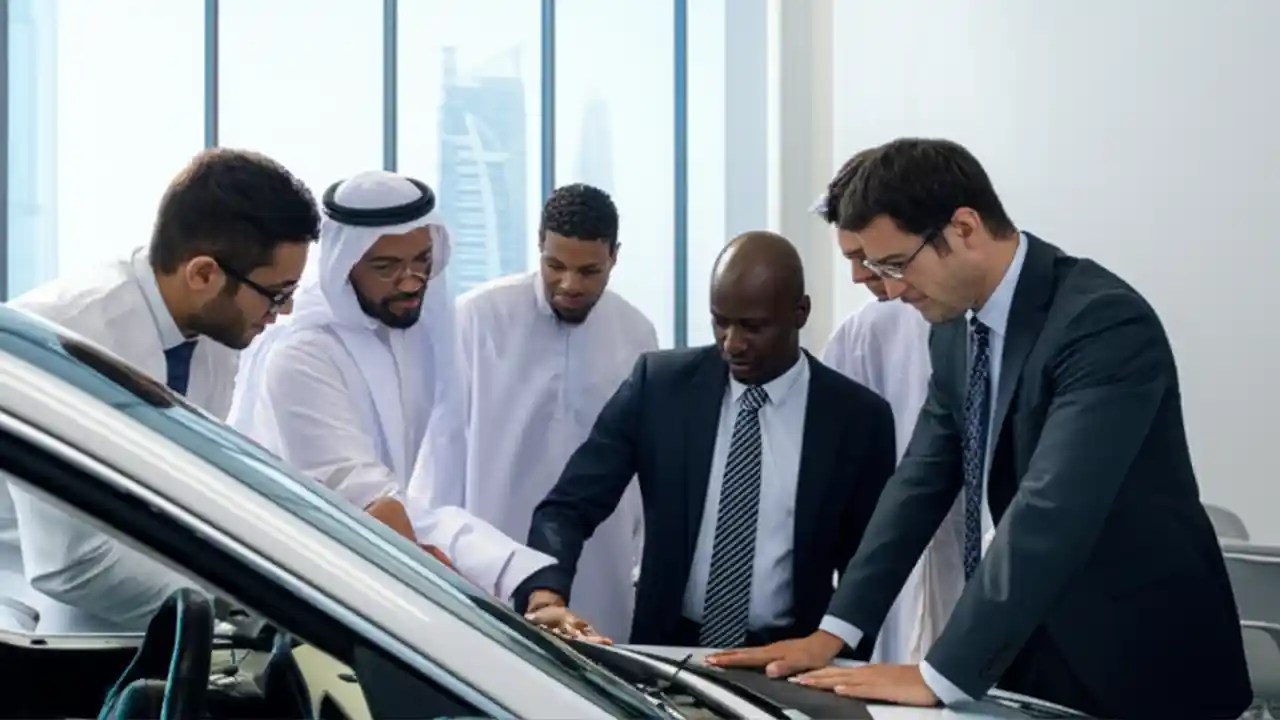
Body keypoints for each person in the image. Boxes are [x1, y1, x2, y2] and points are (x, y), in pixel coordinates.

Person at [708, 138, 1252, 719]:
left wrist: (939, 672)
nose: (888, 289)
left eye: (894, 264)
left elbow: (1051, 510)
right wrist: (835, 632)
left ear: (963, 227)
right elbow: (919, 480)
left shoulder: (1101, 323)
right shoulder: (954, 327)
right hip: (1024, 652)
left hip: (1138, 657)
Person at [515, 230, 896, 652]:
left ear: (799, 312)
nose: (732, 343)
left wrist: (840, 661)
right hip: (668, 652)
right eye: (721, 321)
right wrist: (545, 593)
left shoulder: (858, 420)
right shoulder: (659, 389)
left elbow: (870, 569)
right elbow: (568, 506)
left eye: (752, 327)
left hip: (792, 659)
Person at [226, 170, 582, 621]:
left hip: (375, 573)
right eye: (386, 267)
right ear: (344, 264)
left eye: (422, 261)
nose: (412, 281)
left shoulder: (415, 330)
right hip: (299, 594)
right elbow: (371, 502)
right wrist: (516, 576)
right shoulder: (303, 354)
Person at [0, 148, 321, 633]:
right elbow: (69, 563)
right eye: (276, 293)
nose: (286, 311)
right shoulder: (67, 335)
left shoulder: (216, 328)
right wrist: (243, 610)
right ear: (203, 274)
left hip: (112, 601)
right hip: (25, 608)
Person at [411, 183, 654, 641]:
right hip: (491, 556)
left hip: (602, 565)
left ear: (614, 257)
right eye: (555, 266)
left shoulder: (636, 332)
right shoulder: (478, 317)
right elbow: (443, 444)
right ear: (539, 244)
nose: (569, 284)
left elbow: (641, 468)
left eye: (589, 271)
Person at [813, 150, 965, 665]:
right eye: (851, 260)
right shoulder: (865, 333)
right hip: (894, 572)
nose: (863, 276)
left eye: (871, 258)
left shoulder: (971, 323)